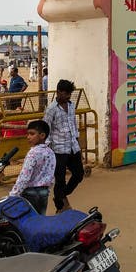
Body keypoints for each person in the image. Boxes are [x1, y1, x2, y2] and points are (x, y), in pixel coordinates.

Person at [45, 79, 84, 212]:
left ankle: (60, 196)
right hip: (58, 149)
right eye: (65, 94)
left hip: (73, 147)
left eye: (69, 94)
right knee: (60, 179)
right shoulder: (51, 109)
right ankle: (60, 207)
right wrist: (48, 150)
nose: (67, 97)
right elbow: (46, 129)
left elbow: (73, 125)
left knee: (79, 174)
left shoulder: (72, 106)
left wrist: (78, 145)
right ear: (58, 92)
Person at [10, 120, 56, 215]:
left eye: (32, 134)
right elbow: (51, 174)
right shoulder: (50, 152)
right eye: (28, 134)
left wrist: (13, 195)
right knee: (40, 219)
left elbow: (24, 177)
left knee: (27, 221)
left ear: (42, 135)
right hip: (44, 193)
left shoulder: (33, 153)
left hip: (30, 193)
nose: (28, 137)